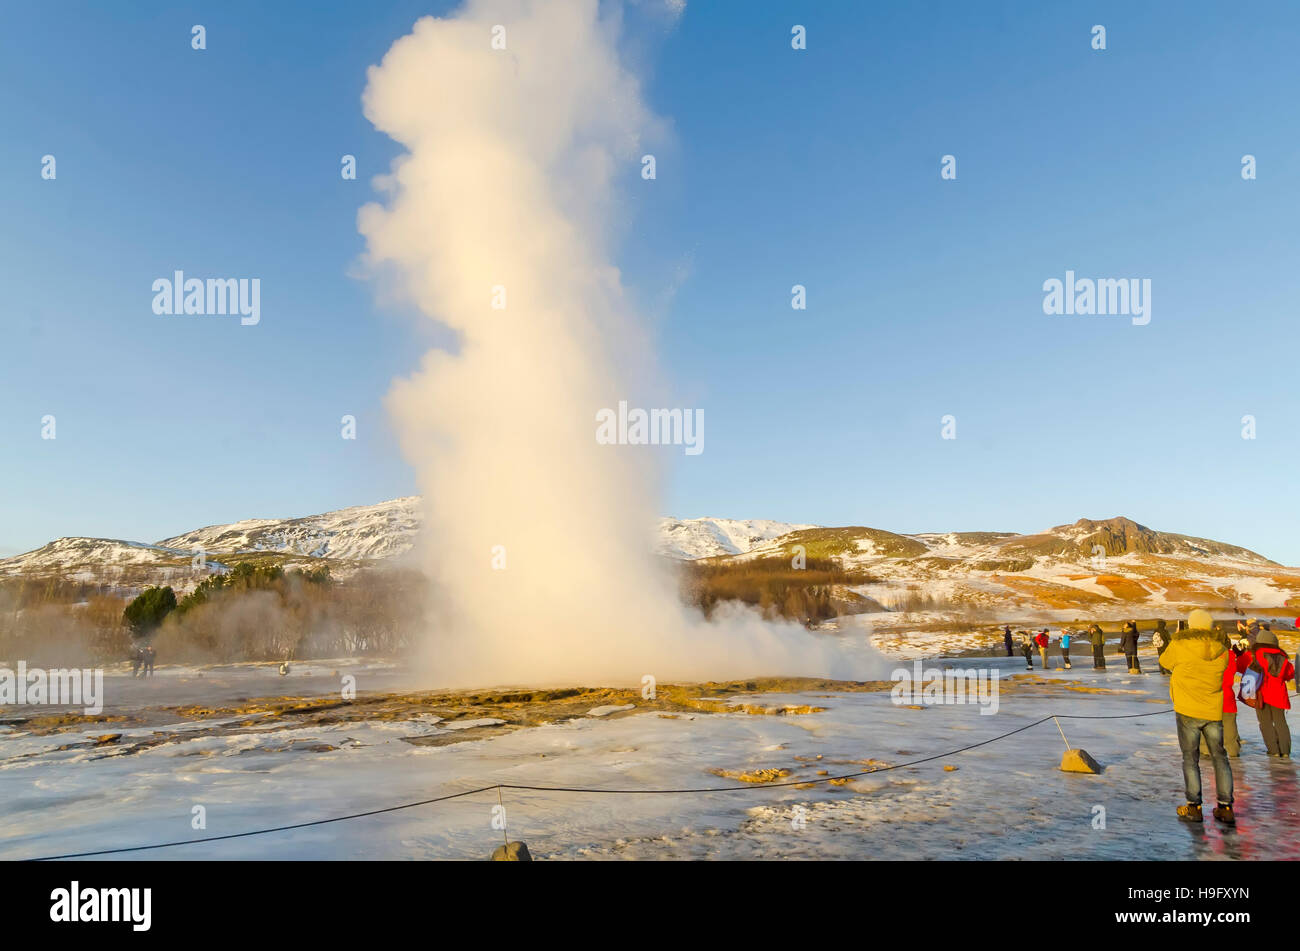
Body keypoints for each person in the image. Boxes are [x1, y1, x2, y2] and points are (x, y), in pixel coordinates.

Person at [1159, 608, 1234, 825]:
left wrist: (1177, 637)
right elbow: (1224, 665)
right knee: (1220, 757)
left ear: (1191, 625)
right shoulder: (1221, 649)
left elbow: (1164, 661)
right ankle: (1226, 807)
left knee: (1190, 759)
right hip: (1212, 709)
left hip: (1187, 709)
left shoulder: (1180, 645)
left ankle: (1194, 806)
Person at [1247, 630, 1295, 757]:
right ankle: (1285, 751)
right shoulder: (1282, 658)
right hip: (1279, 695)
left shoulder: (1256, 655)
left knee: (1265, 723)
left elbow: (1250, 674)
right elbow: (1290, 673)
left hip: (1261, 695)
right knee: (1281, 722)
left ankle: (1273, 750)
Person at [1201, 636, 1249, 758]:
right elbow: (1242, 667)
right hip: (1227, 695)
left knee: (1207, 725)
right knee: (1229, 725)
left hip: (1210, 695)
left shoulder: (1207, 656)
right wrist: (1241, 654)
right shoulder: (1230, 655)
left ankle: (1205, 748)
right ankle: (1233, 749)